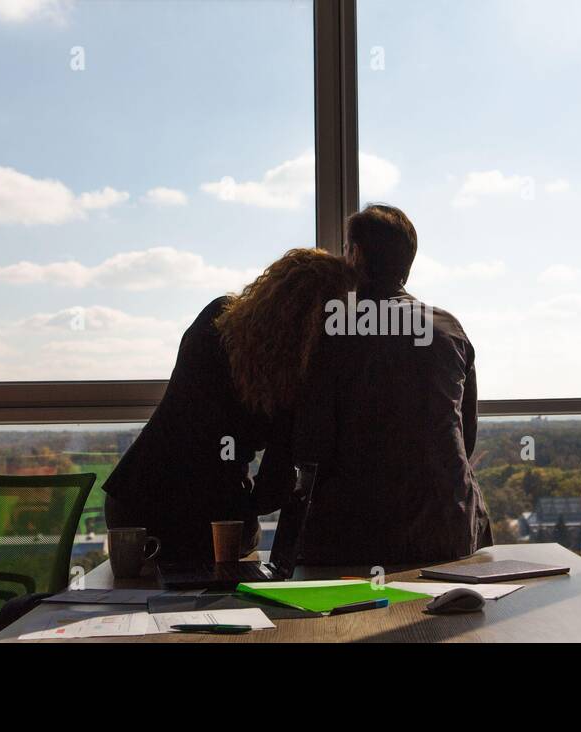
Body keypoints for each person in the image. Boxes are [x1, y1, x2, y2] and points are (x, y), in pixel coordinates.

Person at [101, 249, 358, 562]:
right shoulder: (293, 383)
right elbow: (272, 489)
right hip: (210, 522)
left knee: (140, 600)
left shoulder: (217, 316)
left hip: (133, 498)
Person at [293, 204, 492, 565]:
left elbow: (311, 442)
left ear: (355, 254)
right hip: (448, 528)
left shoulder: (331, 329)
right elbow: (466, 437)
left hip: (353, 536)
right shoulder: (447, 329)